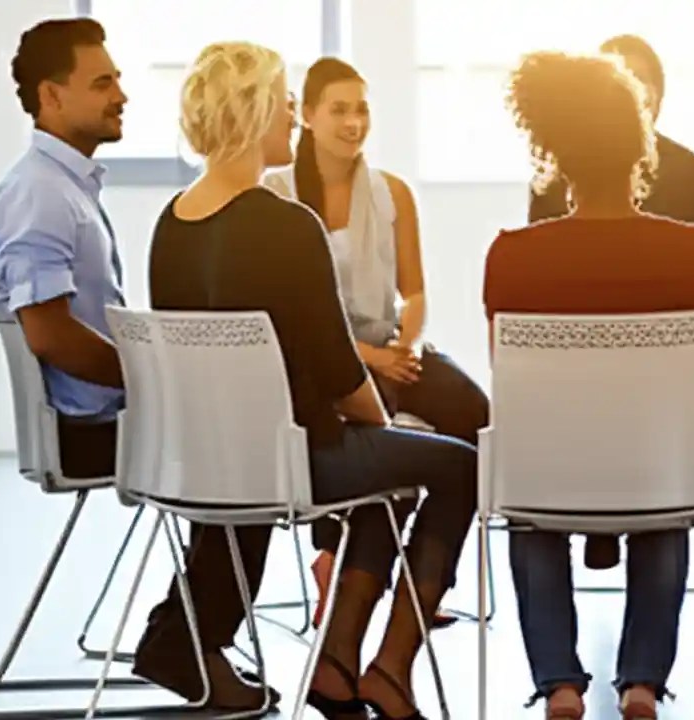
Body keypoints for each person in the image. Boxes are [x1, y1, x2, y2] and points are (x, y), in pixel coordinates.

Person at [149, 41, 477, 720]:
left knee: (389, 466)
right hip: (293, 458)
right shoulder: (287, 225)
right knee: (456, 467)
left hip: (212, 459)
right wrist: (382, 420)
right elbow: (339, 374)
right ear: (257, 110)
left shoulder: (170, 223)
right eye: (288, 105)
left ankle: (337, 662)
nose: (295, 120)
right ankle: (386, 665)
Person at [0, 19, 280, 711]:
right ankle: (186, 643)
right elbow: (51, 334)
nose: (122, 94)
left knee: (238, 433)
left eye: (117, 78)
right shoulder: (40, 194)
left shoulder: (64, 186)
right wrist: (161, 379)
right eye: (102, 82)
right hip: (90, 429)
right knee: (254, 455)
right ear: (51, 97)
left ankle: (184, 639)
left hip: (104, 414)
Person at [487, 50, 694, 720]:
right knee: (665, 479)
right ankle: (643, 681)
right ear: (639, 146)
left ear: (554, 155)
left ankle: (560, 683)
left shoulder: (513, 254)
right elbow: (692, 387)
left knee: (527, 498)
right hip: (655, 475)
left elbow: (511, 384)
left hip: (551, 476)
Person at [264, 57, 489, 632]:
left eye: (361, 109)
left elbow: (413, 291)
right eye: (338, 109)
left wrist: (405, 347)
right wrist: (371, 361)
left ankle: (426, 578)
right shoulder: (278, 192)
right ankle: (335, 559)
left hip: (388, 346)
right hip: (321, 361)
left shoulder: (392, 192)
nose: (353, 122)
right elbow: (291, 318)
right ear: (307, 115)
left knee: (474, 413)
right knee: (361, 417)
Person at [529, 33, 694, 573]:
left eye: (636, 83)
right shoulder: (549, 186)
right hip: (587, 383)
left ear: (657, 97)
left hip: (652, 383)